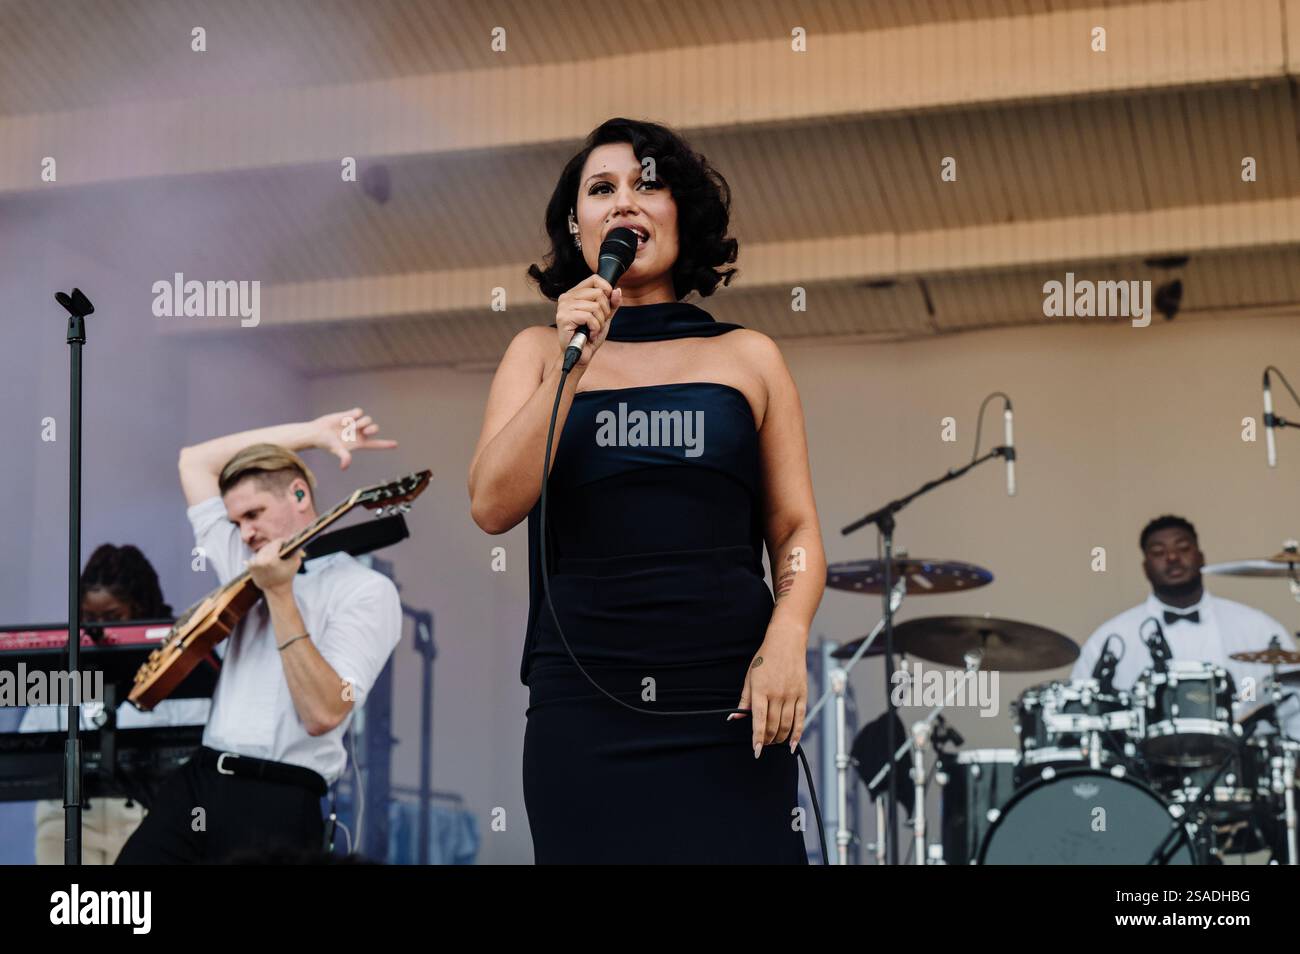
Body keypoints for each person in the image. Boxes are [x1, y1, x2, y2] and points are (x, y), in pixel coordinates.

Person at [469, 117, 826, 863]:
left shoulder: (747, 356)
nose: (625, 201)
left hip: (731, 699)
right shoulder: (539, 352)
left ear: (679, 214)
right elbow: (492, 505)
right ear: (579, 225)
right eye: (603, 189)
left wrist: (789, 635)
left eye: (649, 184)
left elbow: (793, 531)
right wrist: (574, 365)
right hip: (587, 701)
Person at [115, 410, 402, 863]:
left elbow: (324, 712)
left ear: (300, 494)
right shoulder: (242, 559)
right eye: (236, 522)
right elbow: (194, 461)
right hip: (203, 775)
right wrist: (312, 435)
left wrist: (280, 593)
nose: (245, 533)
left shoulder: (365, 591)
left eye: (255, 514)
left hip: (282, 793)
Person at [19, 543, 210, 864]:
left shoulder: (176, 665)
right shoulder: (65, 666)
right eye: (88, 618)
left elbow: (197, 750)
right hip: (68, 817)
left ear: (141, 610)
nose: (97, 629)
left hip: (148, 814)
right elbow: (29, 749)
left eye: (112, 617)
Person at [1071, 514, 1300, 736]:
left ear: (1201, 557)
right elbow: (1079, 715)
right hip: (1143, 772)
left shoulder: (1259, 629)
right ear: (1145, 567)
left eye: (1182, 548)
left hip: (1247, 769)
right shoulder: (1111, 640)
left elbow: (1295, 712)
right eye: (1159, 552)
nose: (1172, 557)